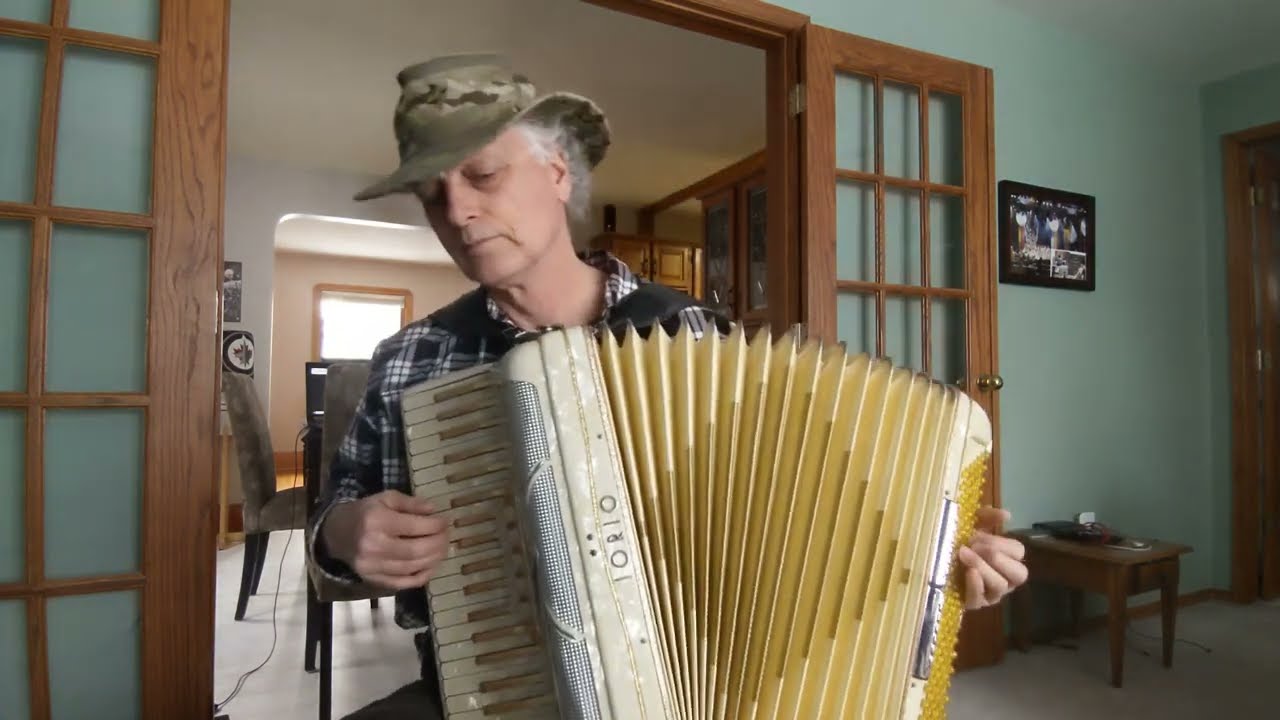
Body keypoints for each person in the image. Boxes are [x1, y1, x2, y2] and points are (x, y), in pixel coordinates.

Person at [307, 53, 1028, 720]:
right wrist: (343, 534)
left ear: (557, 172)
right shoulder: (412, 358)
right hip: (490, 692)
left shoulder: (694, 335)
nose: (457, 211)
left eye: (482, 175)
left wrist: (939, 559)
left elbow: (797, 530)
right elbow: (330, 544)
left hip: (701, 691)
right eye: (432, 195)